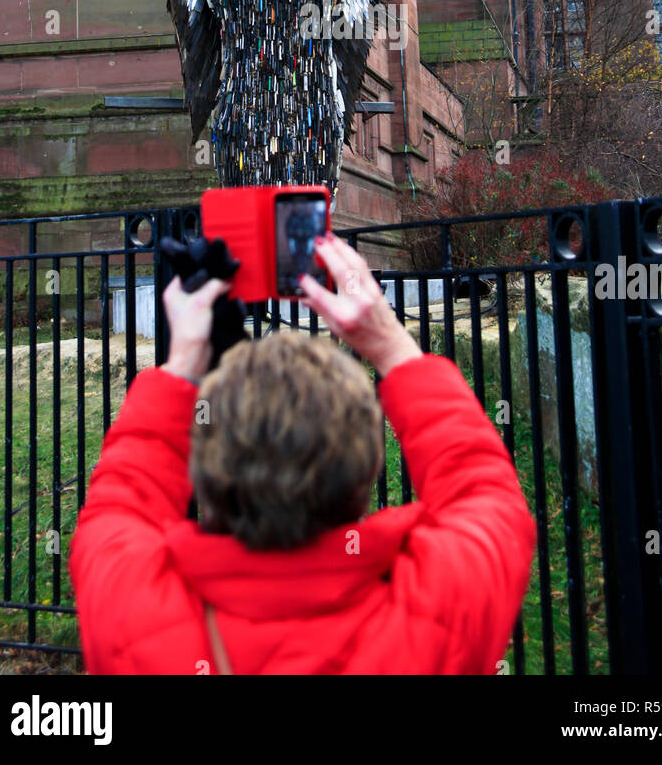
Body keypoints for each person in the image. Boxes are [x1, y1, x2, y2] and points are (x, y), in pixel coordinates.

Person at [69, 234, 536, 675]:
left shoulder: (130, 612)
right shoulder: (443, 608)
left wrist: (184, 361)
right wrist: (389, 341)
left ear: (204, 471)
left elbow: (122, 499)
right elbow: (484, 491)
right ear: (369, 467)